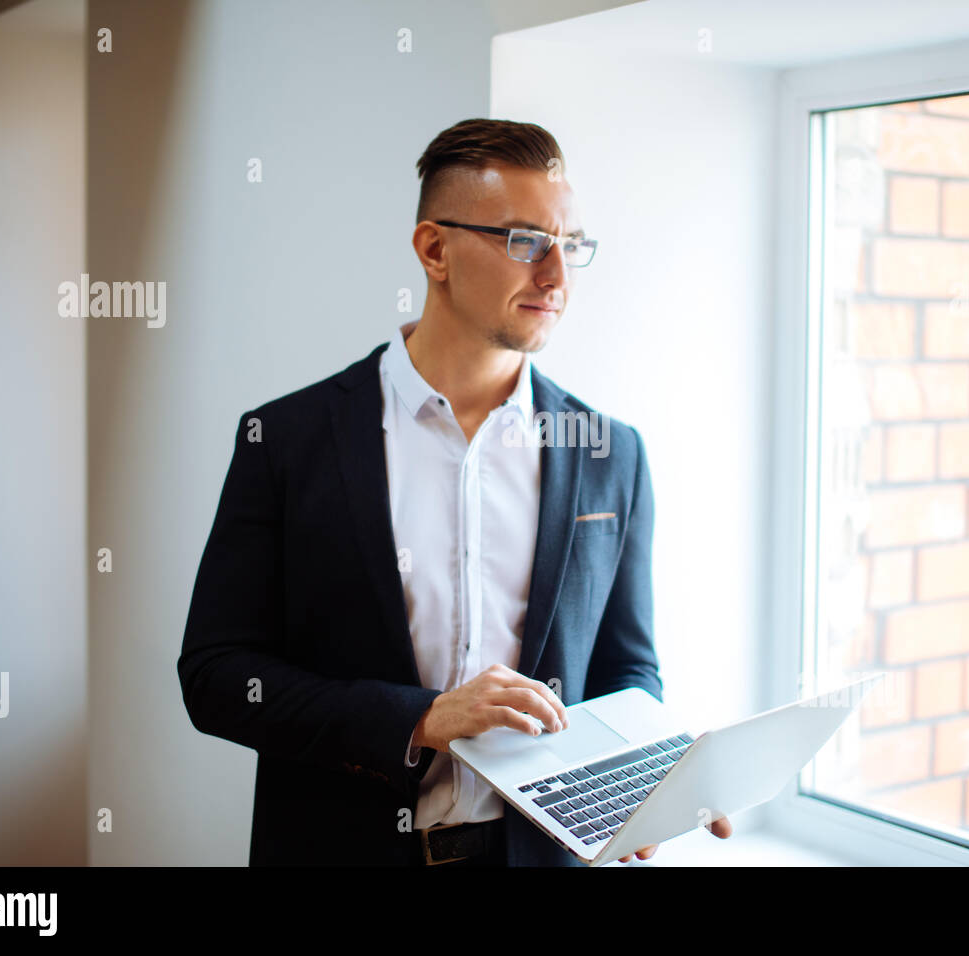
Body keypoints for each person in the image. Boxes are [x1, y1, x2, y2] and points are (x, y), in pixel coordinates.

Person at [178, 118, 731, 866]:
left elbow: (627, 670)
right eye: (525, 241)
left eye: (571, 246)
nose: (557, 278)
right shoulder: (284, 439)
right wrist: (422, 719)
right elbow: (215, 677)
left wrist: (645, 772)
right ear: (434, 250)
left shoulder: (612, 452)